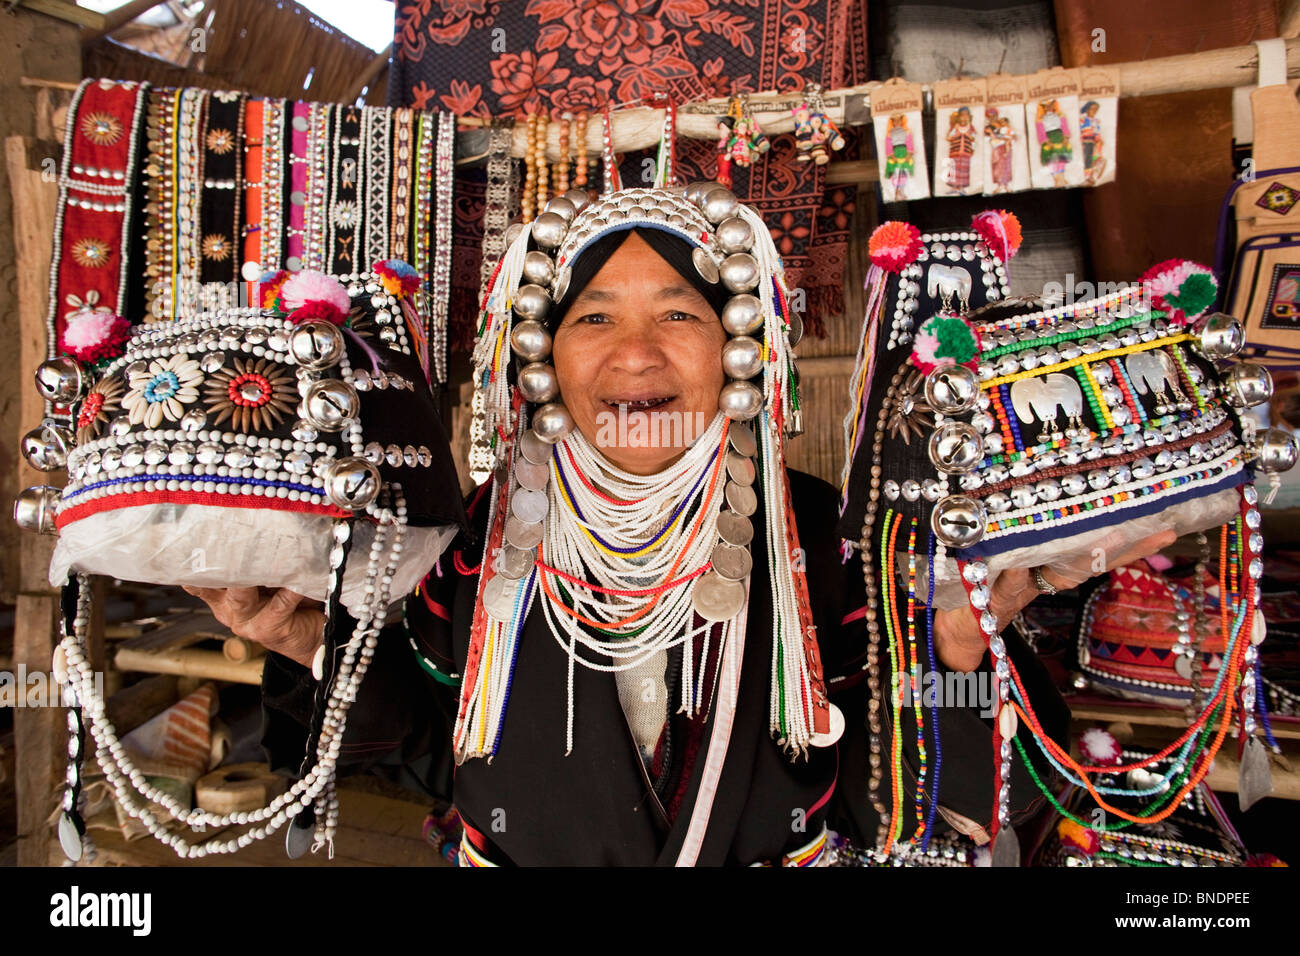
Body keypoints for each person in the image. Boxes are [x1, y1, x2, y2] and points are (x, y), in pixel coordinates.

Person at [186, 186, 1172, 866]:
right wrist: (306, 636)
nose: (636, 354)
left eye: (680, 315)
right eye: (593, 319)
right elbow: (439, 749)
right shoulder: (495, 532)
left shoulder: (821, 533)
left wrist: (956, 641)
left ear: (738, 352)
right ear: (544, 363)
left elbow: (895, 799)